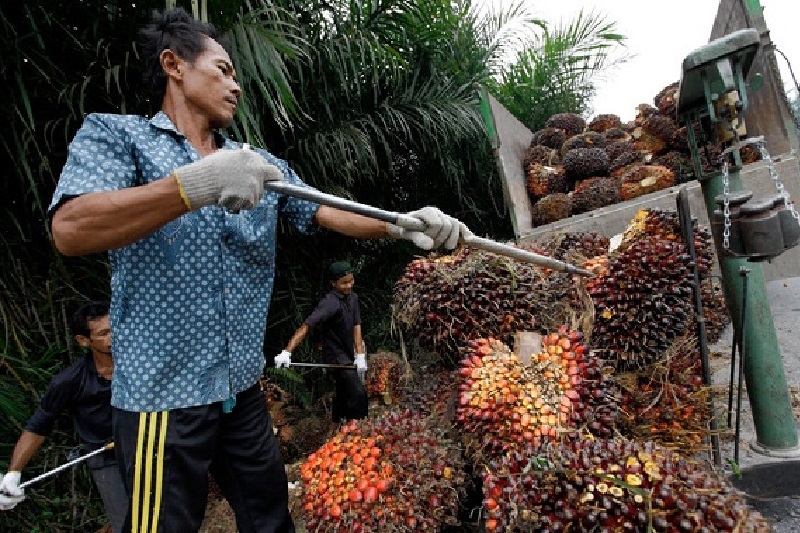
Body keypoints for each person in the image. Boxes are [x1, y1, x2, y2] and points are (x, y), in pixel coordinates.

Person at [46, 7, 470, 533]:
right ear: (173, 64)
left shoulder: (254, 164)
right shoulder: (120, 138)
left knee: (270, 520)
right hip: (163, 401)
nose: (237, 85)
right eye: (222, 69)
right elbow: (70, 228)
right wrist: (193, 186)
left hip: (241, 390)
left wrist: (403, 226)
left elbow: (320, 207)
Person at [0, 301, 127, 533]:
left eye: (116, 327)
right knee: (127, 524)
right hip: (106, 458)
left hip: (151, 449)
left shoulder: (142, 363)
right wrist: (13, 473)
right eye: (104, 333)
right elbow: (39, 425)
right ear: (83, 341)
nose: (114, 336)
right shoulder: (69, 381)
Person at [277, 261, 368, 422]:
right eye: (344, 283)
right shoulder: (329, 303)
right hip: (335, 356)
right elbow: (307, 325)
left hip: (348, 352)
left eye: (351, 280)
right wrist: (287, 351)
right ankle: (359, 431)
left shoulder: (353, 298)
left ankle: (338, 423)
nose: (349, 285)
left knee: (343, 390)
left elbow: (357, 325)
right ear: (333, 283)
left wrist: (360, 354)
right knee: (357, 393)